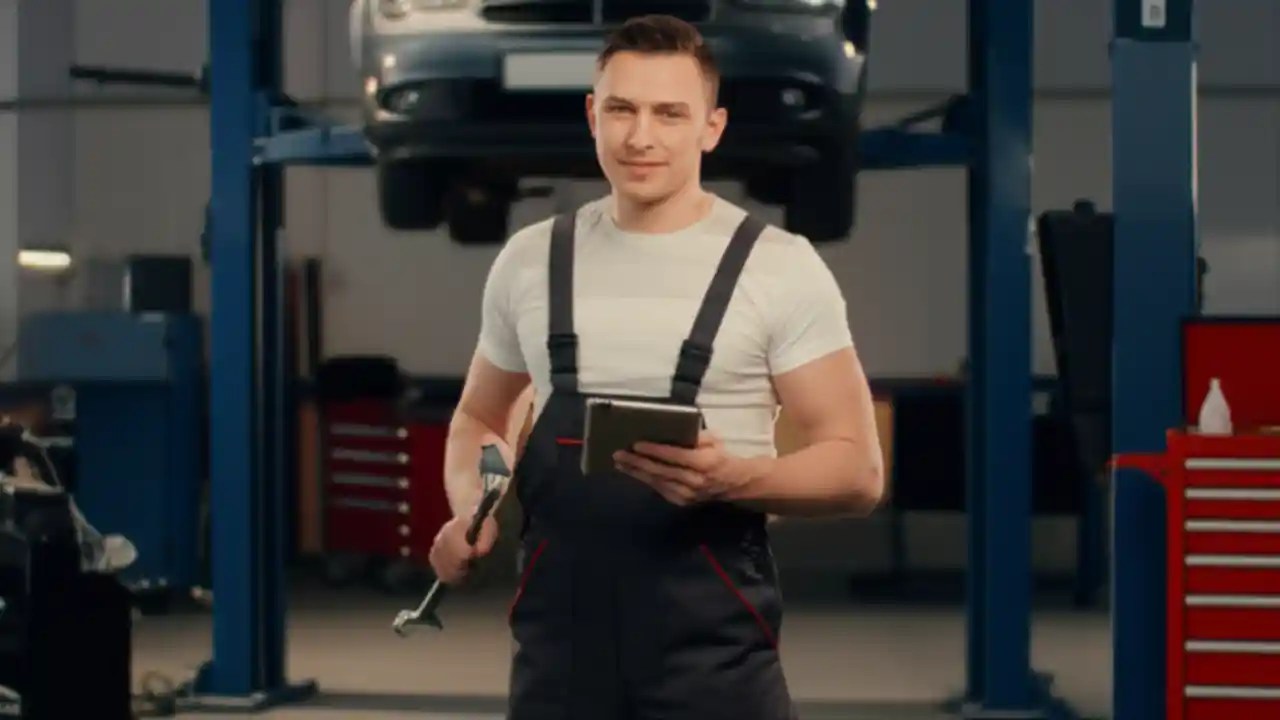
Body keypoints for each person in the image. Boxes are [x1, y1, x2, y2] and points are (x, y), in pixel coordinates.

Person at [428, 14, 885, 720]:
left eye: (670, 114)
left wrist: (738, 477)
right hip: (558, 659)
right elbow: (483, 417)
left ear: (712, 127)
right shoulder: (531, 259)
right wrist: (472, 509)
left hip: (714, 661)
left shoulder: (778, 267)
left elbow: (857, 471)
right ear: (592, 115)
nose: (641, 137)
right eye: (622, 109)